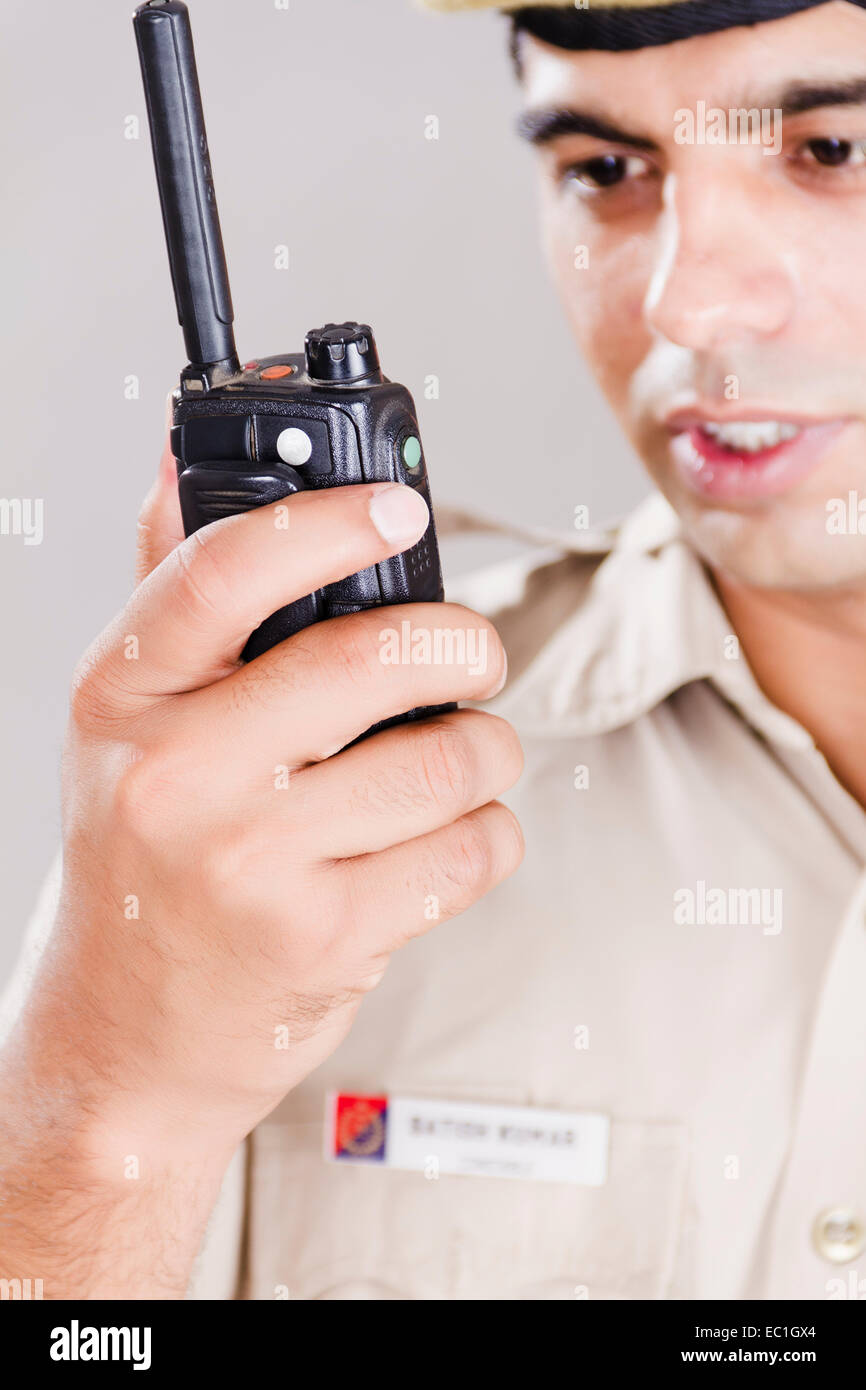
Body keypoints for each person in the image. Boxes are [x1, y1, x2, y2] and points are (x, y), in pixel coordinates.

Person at [2, 0, 866, 1301]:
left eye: (831, 149)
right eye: (605, 167)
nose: (684, 303)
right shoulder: (264, 811)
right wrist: (108, 1109)